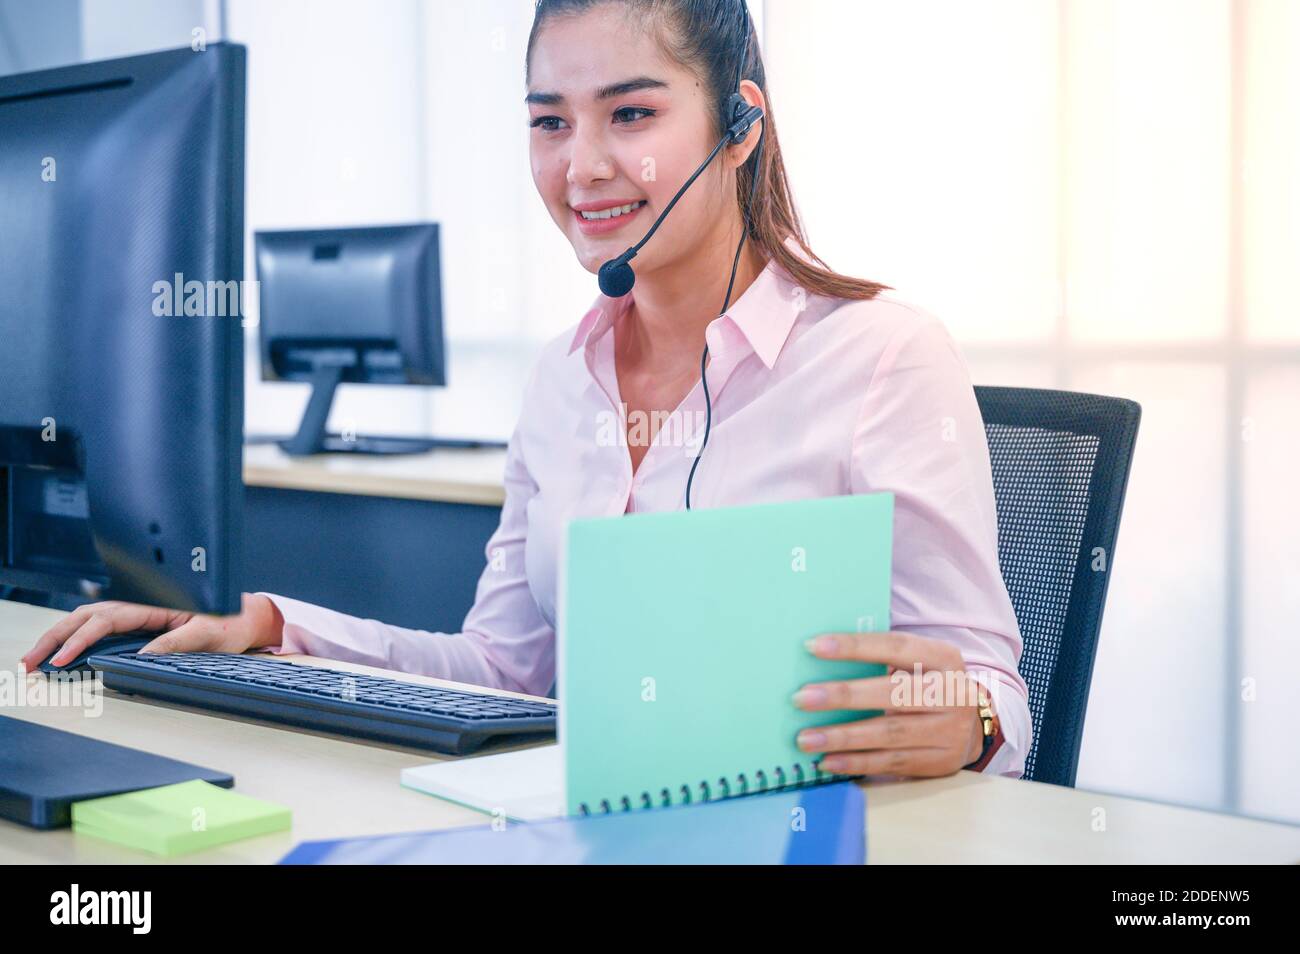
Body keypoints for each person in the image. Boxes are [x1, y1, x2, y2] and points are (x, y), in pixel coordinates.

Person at [23, 0, 1030, 778]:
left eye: (631, 113)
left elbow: (993, 692)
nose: (583, 166)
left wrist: (968, 716)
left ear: (739, 125)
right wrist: (277, 627)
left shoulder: (882, 357)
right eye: (550, 122)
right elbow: (503, 671)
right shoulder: (563, 377)